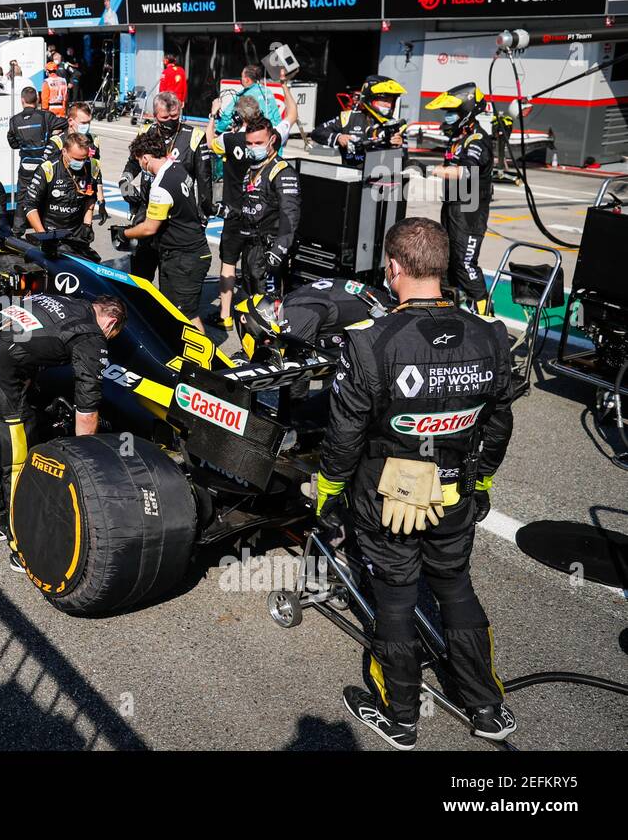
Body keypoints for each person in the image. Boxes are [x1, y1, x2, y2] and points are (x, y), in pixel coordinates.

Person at [317, 217, 516, 750]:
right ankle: (488, 708)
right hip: (455, 493)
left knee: (397, 600)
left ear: (394, 268)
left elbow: (343, 435)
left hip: (387, 497)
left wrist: (329, 495)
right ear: (444, 267)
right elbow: (499, 424)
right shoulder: (493, 335)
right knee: (455, 588)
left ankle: (399, 717)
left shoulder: (368, 345)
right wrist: (482, 482)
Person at [0, 293, 127, 569]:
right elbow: (87, 408)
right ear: (111, 323)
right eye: (113, 335)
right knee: (18, 461)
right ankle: (21, 546)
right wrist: (86, 462)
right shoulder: (91, 336)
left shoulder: (59, 299)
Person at [207, 77, 297, 325]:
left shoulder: (229, 139)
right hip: (252, 218)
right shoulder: (275, 134)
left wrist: (213, 115)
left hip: (241, 216)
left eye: (258, 143)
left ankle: (226, 315)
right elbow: (292, 115)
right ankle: (254, 319)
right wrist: (285, 85)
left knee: (229, 266)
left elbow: (208, 142)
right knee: (251, 275)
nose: (254, 146)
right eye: (251, 143)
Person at [117, 126, 214, 326]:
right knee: (171, 310)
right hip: (180, 253)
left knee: (187, 316)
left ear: (145, 158)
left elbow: (149, 228)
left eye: (139, 161)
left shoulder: (160, 186)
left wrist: (124, 233)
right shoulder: (176, 168)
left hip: (186, 258)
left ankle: (202, 356)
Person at [119, 90, 214, 279]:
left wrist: (203, 218)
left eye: (175, 116)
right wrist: (125, 182)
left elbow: (205, 180)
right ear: (154, 116)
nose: (170, 120)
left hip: (176, 217)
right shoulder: (147, 132)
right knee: (140, 272)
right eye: (165, 117)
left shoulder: (195, 136)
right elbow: (132, 163)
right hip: (147, 211)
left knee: (170, 275)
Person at [424, 83, 492, 314]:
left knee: (465, 264)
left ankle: (485, 316)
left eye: (452, 112)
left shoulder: (477, 140)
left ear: (467, 111)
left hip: (470, 210)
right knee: (447, 263)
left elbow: (467, 172)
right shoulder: (457, 138)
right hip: (452, 206)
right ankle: (448, 314)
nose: (448, 117)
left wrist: (429, 169)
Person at [23, 132, 102, 253]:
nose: (81, 163)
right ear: (64, 152)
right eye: (76, 159)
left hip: (77, 234)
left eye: (84, 158)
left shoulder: (91, 166)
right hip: (51, 234)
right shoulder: (48, 169)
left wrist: (87, 224)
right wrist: (44, 236)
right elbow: (29, 205)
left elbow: (91, 196)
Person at [312, 75, 407, 168]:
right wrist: (339, 138)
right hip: (350, 177)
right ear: (370, 98)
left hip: (380, 179)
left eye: (391, 100)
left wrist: (399, 149)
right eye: (385, 100)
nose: (388, 105)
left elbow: (403, 165)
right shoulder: (348, 118)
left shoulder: (397, 127)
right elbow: (317, 132)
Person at [7, 86, 67, 232]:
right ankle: (44, 229)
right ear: (38, 99)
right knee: (46, 196)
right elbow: (65, 123)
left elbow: (12, 143)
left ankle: (17, 231)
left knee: (22, 197)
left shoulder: (14, 121)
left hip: (26, 165)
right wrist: (53, 135)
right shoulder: (46, 116)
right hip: (44, 165)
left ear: (22, 101)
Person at [215, 64, 282, 133]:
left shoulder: (243, 95)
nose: (241, 80)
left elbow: (227, 116)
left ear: (247, 80)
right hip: (273, 131)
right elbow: (276, 113)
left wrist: (218, 130)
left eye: (242, 77)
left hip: (256, 133)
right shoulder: (267, 91)